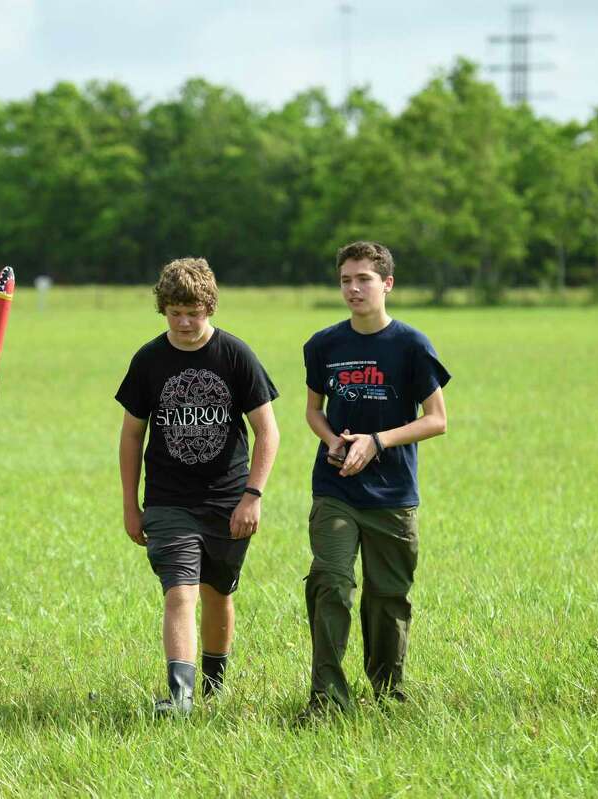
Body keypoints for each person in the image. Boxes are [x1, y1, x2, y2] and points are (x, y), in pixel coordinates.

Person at [116, 258, 279, 716]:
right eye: (174, 312)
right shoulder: (149, 360)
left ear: (210, 307)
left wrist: (253, 496)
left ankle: (213, 685)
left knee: (217, 593)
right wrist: (130, 504)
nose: (184, 322)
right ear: (162, 310)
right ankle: (180, 696)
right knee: (180, 592)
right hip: (168, 500)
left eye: (193, 311)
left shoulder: (236, 355)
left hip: (229, 501)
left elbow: (268, 432)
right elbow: (132, 435)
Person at [300, 241, 450, 719]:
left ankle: (388, 692)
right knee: (331, 583)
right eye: (345, 279)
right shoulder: (324, 344)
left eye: (363, 279)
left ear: (386, 283)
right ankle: (326, 699)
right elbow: (313, 411)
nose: (353, 288)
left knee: (388, 597)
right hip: (336, 487)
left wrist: (378, 441)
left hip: (392, 494)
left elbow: (436, 419)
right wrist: (332, 440)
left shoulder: (411, 345)